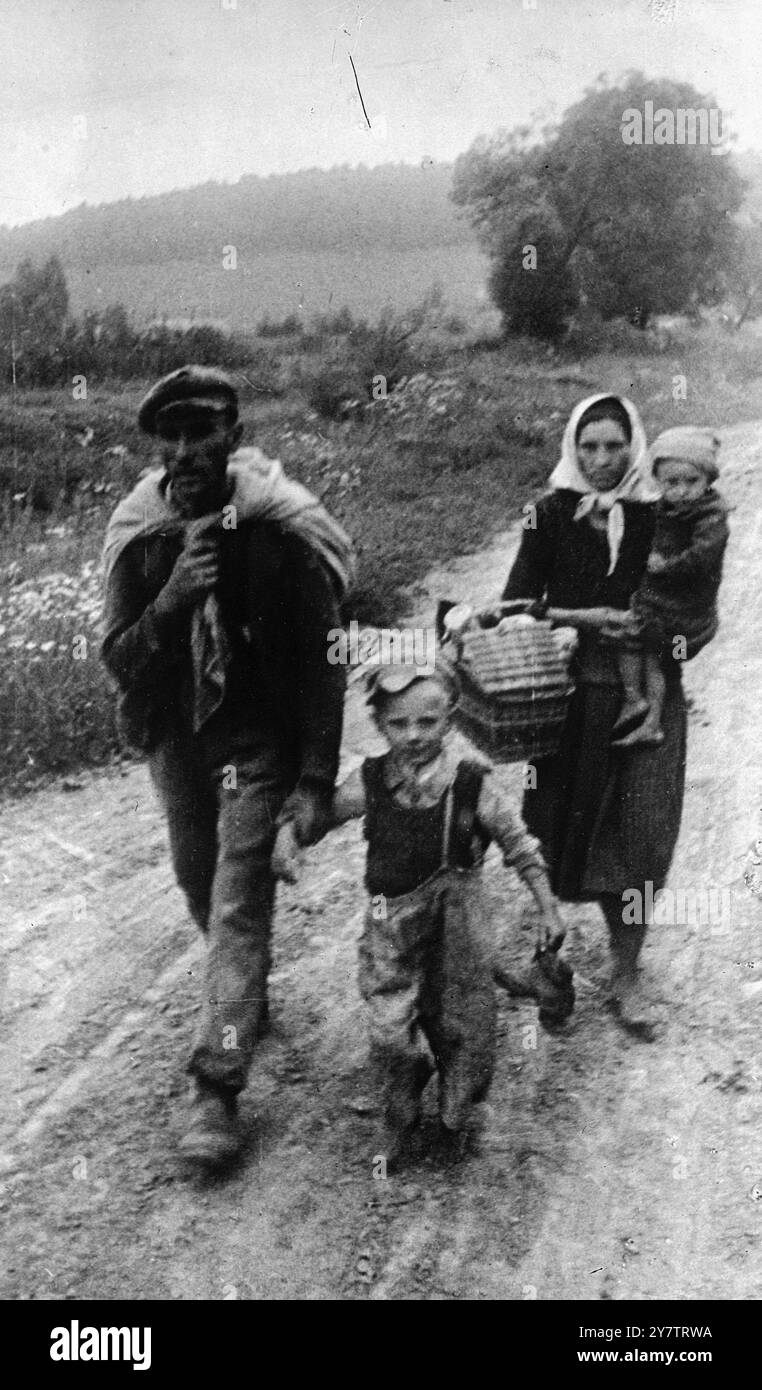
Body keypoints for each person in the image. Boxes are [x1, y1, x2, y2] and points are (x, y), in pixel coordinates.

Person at [100, 365, 354, 1166]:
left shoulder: (277, 529)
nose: (185, 451)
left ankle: (217, 1088)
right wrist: (171, 600)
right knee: (194, 876)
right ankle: (242, 992)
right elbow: (118, 659)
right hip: (177, 735)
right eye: (169, 437)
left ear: (233, 438)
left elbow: (324, 657)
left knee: (238, 900)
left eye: (201, 432)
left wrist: (315, 778)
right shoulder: (140, 537)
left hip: (255, 741)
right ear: (156, 449)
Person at [271, 664, 565, 1167]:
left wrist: (547, 905)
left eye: (427, 722)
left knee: (464, 1022)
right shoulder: (371, 780)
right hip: (392, 927)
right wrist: (288, 834)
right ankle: (401, 1108)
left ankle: (456, 1116)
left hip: (460, 924)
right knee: (389, 1025)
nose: (413, 736)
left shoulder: (472, 784)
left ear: (449, 719)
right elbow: (324, 815)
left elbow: (519, 845)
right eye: (398, 724)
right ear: (379, 725)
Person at [502, 393, 684, 1041]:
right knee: (554, 831)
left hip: (645, 695)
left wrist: (664, 638)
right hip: (567, 695)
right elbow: (514, 604)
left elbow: (694, 600)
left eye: (614, 445)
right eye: (590, 446)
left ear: (635, 444)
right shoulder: (548, 513)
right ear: (572, 449)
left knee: (639, 834)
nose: (603, 460)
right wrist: (584, 619)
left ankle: (627, 971)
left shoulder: (662, 512)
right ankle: (549, 968)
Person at [612, 427, 729, 748]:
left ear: (708, 480)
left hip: (685, 607)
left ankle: (650, 719)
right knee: (633, 641)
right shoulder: (665, 506)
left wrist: (667, 566)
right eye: (671, 482)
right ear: (659, 482)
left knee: (655, 655)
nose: (681, 491)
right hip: (659, 600)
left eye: (691, 482)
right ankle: (637, 702)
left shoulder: (711, 515)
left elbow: (704, 557)